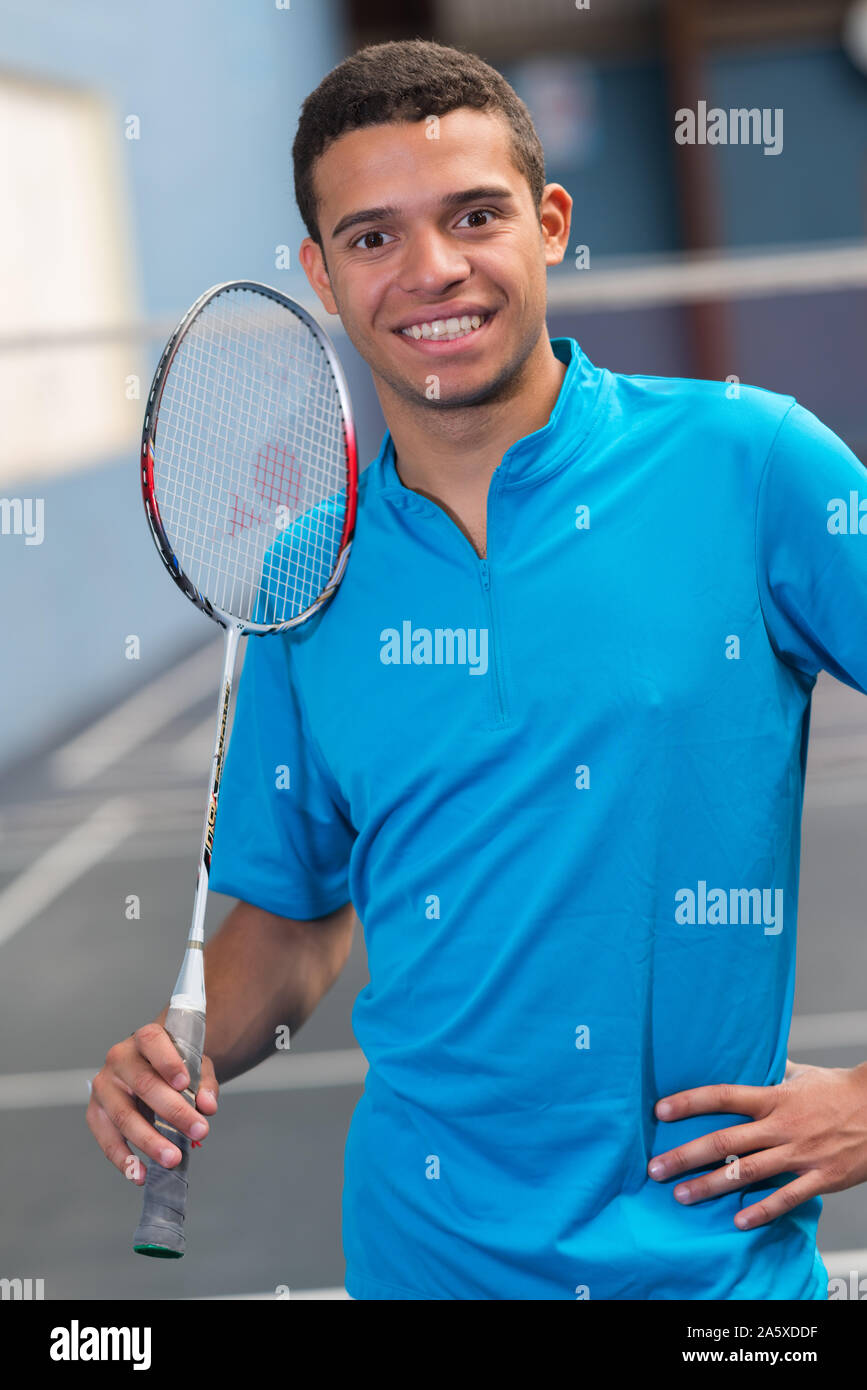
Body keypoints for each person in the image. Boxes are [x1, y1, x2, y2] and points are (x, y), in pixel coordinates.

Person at [88, 38, 867, 1301]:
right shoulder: (311, 569)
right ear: (325, 278)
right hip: (419, 1259)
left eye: (473, 215)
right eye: (373, 237)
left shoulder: (752, 462)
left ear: (549, 225)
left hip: (713, 1284)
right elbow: (293, 922)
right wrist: (188, 1046)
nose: (432, 270)